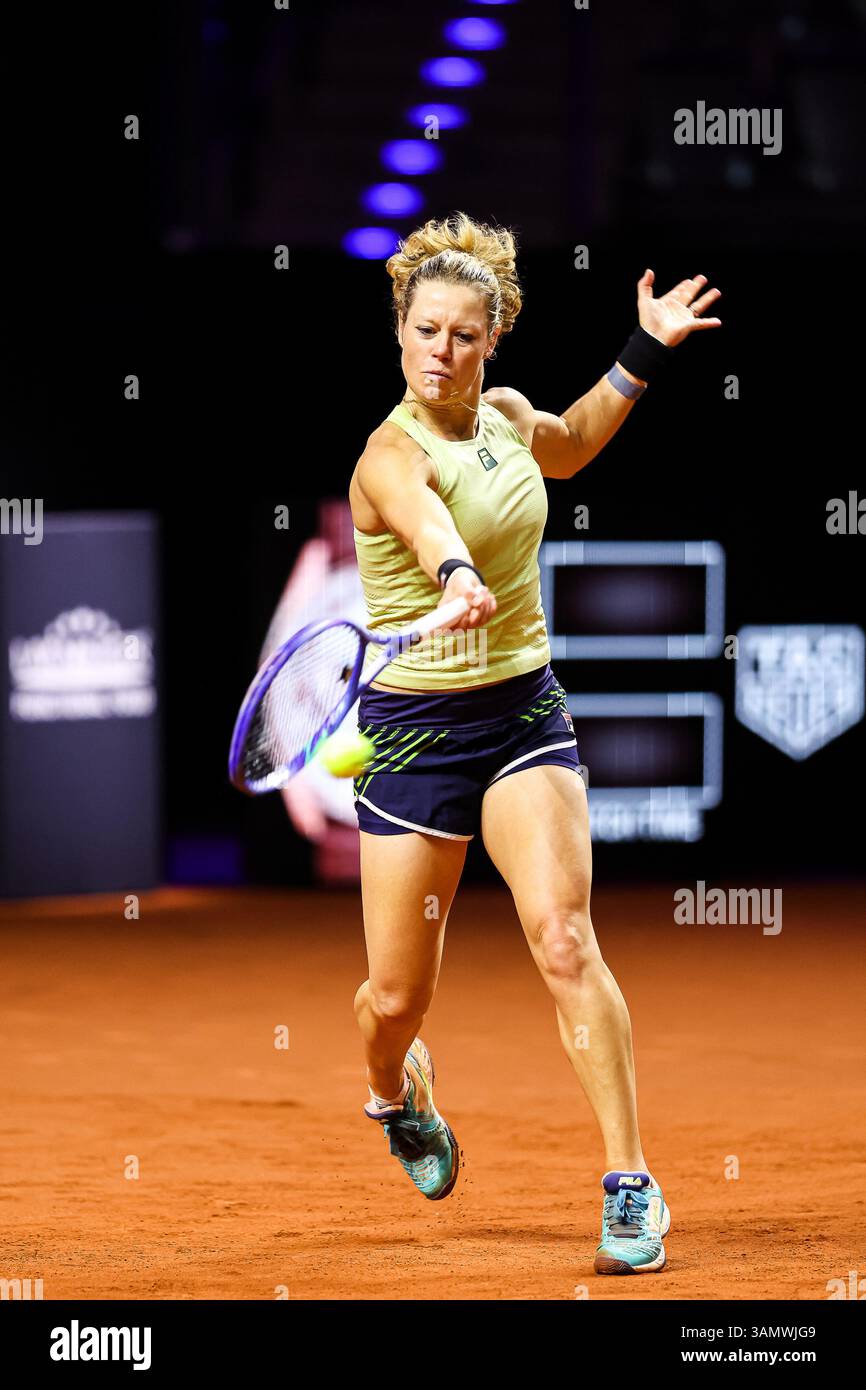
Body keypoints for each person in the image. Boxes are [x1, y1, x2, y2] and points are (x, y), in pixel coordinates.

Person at [347, 212, 721, 1274]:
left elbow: (574, 440)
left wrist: (642, 351)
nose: (440, 352)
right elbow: (424, 524)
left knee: (563, 937)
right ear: (401, 329)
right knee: (392, 1000)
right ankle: (395, 1088)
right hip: (415, 736)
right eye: (424, 330)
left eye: (464, 335)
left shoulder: (506, 416)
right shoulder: (384, 455)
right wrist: (456, 574)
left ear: (493, 338)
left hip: (519, 712)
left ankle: (629, 1184)